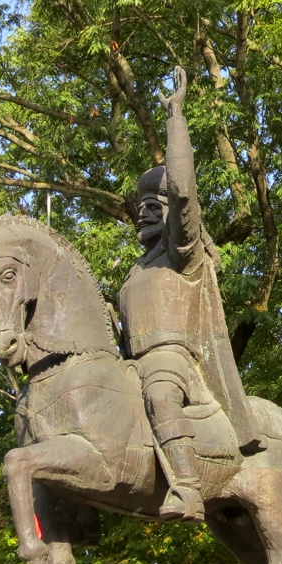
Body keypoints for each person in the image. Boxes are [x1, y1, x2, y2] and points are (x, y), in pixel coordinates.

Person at [116, 66, 261, 522]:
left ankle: (188, 490)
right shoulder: (135, 273)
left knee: (160, 395)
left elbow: (182, 193)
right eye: (139, 209)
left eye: (151, 207)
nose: (143, 215)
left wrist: (175, 117)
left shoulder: (183, 251)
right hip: (132, 365)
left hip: (174, 364)